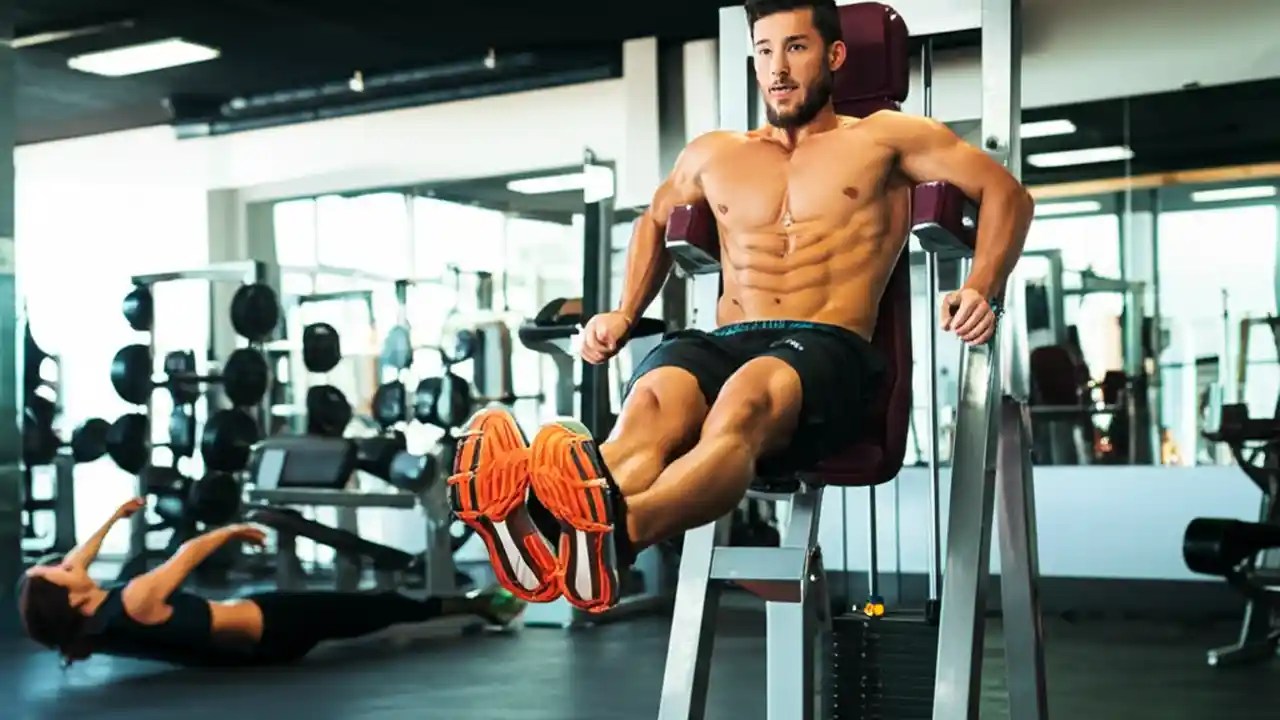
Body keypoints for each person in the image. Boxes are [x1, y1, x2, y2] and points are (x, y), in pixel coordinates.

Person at [448, 0, 1034, 613]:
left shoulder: (889, 136)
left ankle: (612, 534)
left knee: (746, 397)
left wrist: (982, 286)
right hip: (724, 338)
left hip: (827, 345)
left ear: (834, 56)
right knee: (648, 411)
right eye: (763, 51)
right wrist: (623, 312)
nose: (777, 68)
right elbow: (653, 221)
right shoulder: (713, 153)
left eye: (796, 48)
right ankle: (557, 523)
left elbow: (1006, 194)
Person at [17, 498, 525, 668]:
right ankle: (478, 605)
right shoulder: (135, 597)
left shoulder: (91, 627)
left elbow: (78, 558)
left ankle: (469, 606)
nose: (68, 563)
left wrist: (114, 517)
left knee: (370, 615)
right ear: (69, 591)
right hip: (275, 624)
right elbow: (187, 553)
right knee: (383, 606)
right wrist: (232, 529)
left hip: (253, 643)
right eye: (60, 572)